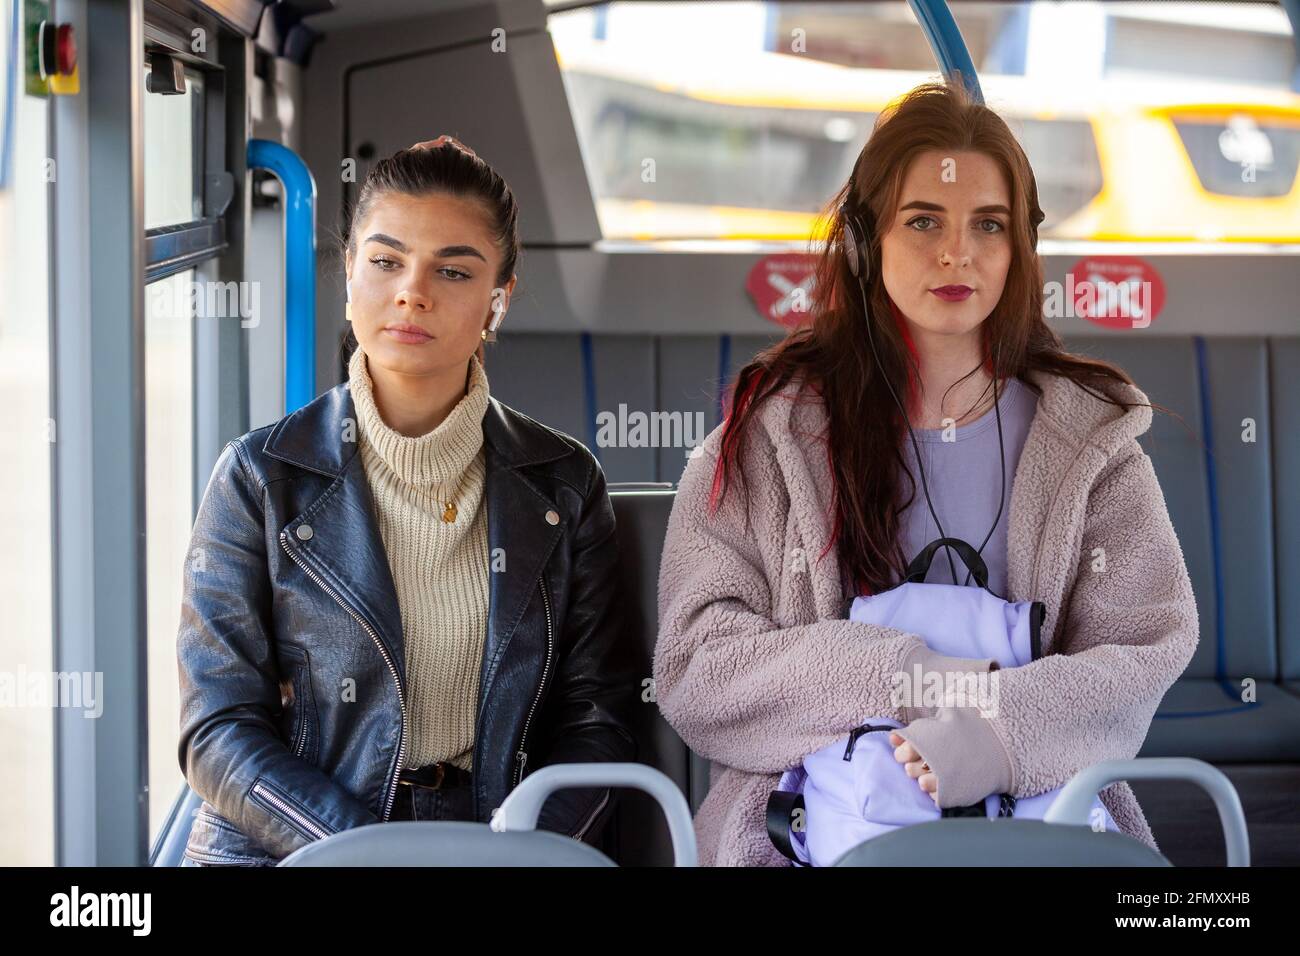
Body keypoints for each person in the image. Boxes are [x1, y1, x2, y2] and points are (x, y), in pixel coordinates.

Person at [652, 81, 1199, 866]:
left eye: (989, 225)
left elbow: (1140, 651)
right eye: (923, 221)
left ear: (1019, 249)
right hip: (804, 831)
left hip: (1039, 826)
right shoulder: (767, 435)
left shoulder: (1092, 441)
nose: (958, 252)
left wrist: (997, 733)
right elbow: (700, 667)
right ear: (868, 239)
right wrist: (907, 678)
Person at [177, 138, 637, 866]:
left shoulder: (565, 483)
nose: (413, 292)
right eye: (386, 261)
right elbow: (219, 729)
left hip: (499, 846)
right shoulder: (259, 478)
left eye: (453, 271)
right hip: (295, 847)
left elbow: (597, 717)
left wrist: (525, 851)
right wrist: (363, 852)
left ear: (498, 301)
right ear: (351, 275)